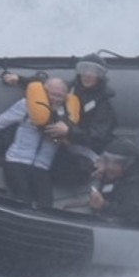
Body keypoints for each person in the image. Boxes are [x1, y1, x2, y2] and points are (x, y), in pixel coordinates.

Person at [0, 77, 72, 208]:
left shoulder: (67, 117)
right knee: (23, 199)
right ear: (45, 92)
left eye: (60, 96)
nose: (56, 99)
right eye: (53, 94)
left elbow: (77, 140)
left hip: (42, 167)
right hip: (17, 161)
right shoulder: (27, 105)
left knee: (46, 204)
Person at [46, 54, 118, 185]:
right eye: (84, 69)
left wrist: (69, 132)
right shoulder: (70, 88)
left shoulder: (103, 106)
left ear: (100, 76)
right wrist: (19, 79)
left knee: (69, 171)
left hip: (83, 146)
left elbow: (97, 137)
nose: (88, 75)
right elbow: (46, 87)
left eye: (94, 71)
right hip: (59, 137)